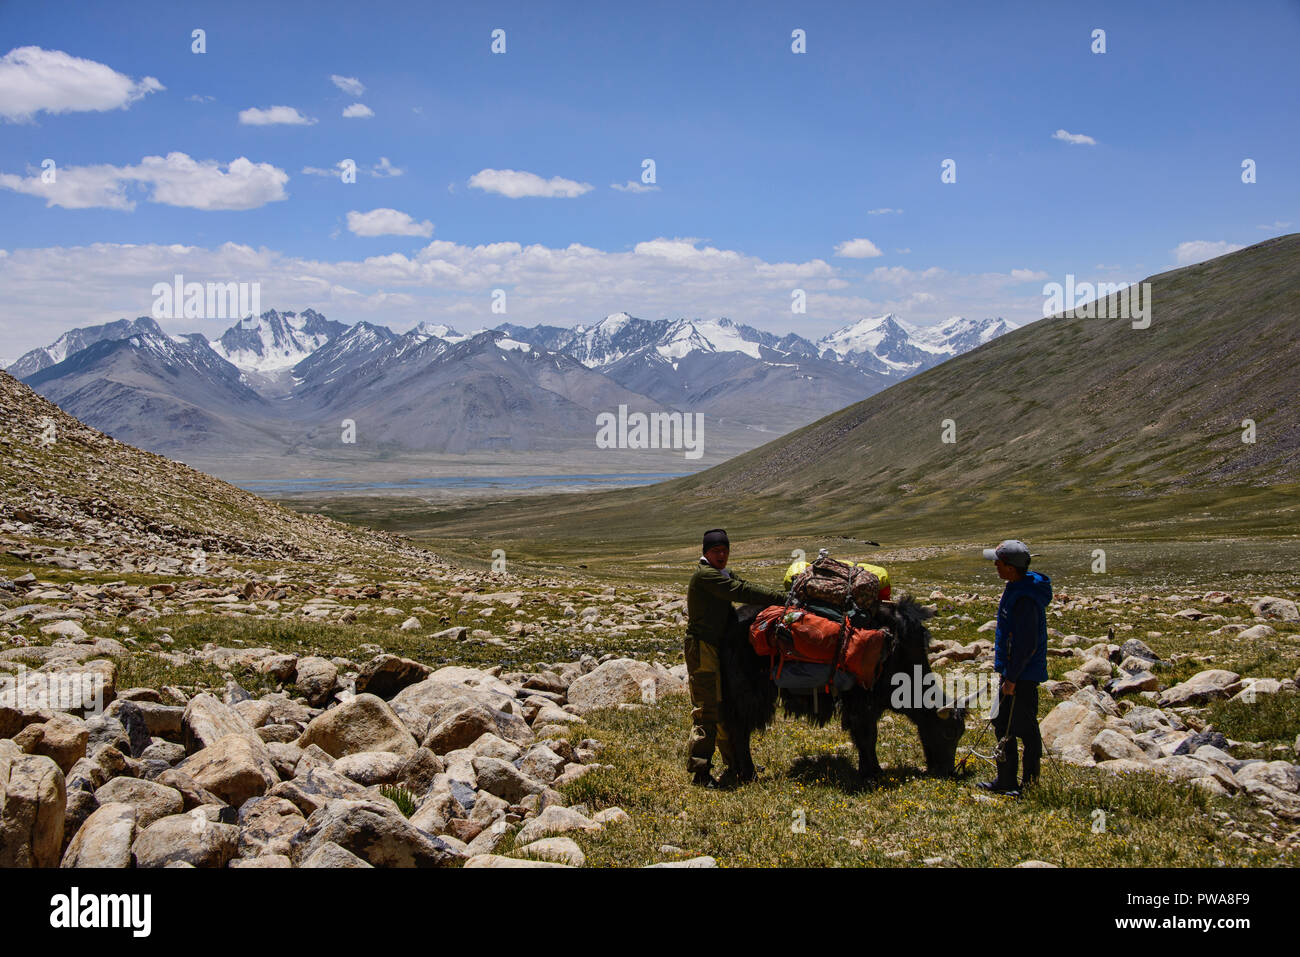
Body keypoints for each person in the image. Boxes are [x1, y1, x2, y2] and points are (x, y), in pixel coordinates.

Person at [684, 528, 786, 787]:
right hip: (702, 648)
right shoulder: (706, 576)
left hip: (716, 647)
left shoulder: (720, 573)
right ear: (705, 552)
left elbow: (743, 585)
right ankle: (700, 772)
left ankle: (736, 764)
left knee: (725, 705)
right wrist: (781, 599)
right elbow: (741, 591)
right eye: (716, 551)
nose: (722, 555)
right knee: (708, 709)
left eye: (725, 551)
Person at [978, 539, 1051, 795]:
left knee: (1026, 729)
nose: (995, 565)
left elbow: (1026, 644)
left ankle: (1029, 784)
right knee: (1002, 723)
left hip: (1022, 675)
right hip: (1014, 672)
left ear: (1010, 567)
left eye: (998, 562)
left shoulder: (1025, 599)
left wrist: (1012, 678)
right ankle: (1006, 779)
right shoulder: (1016, 587)